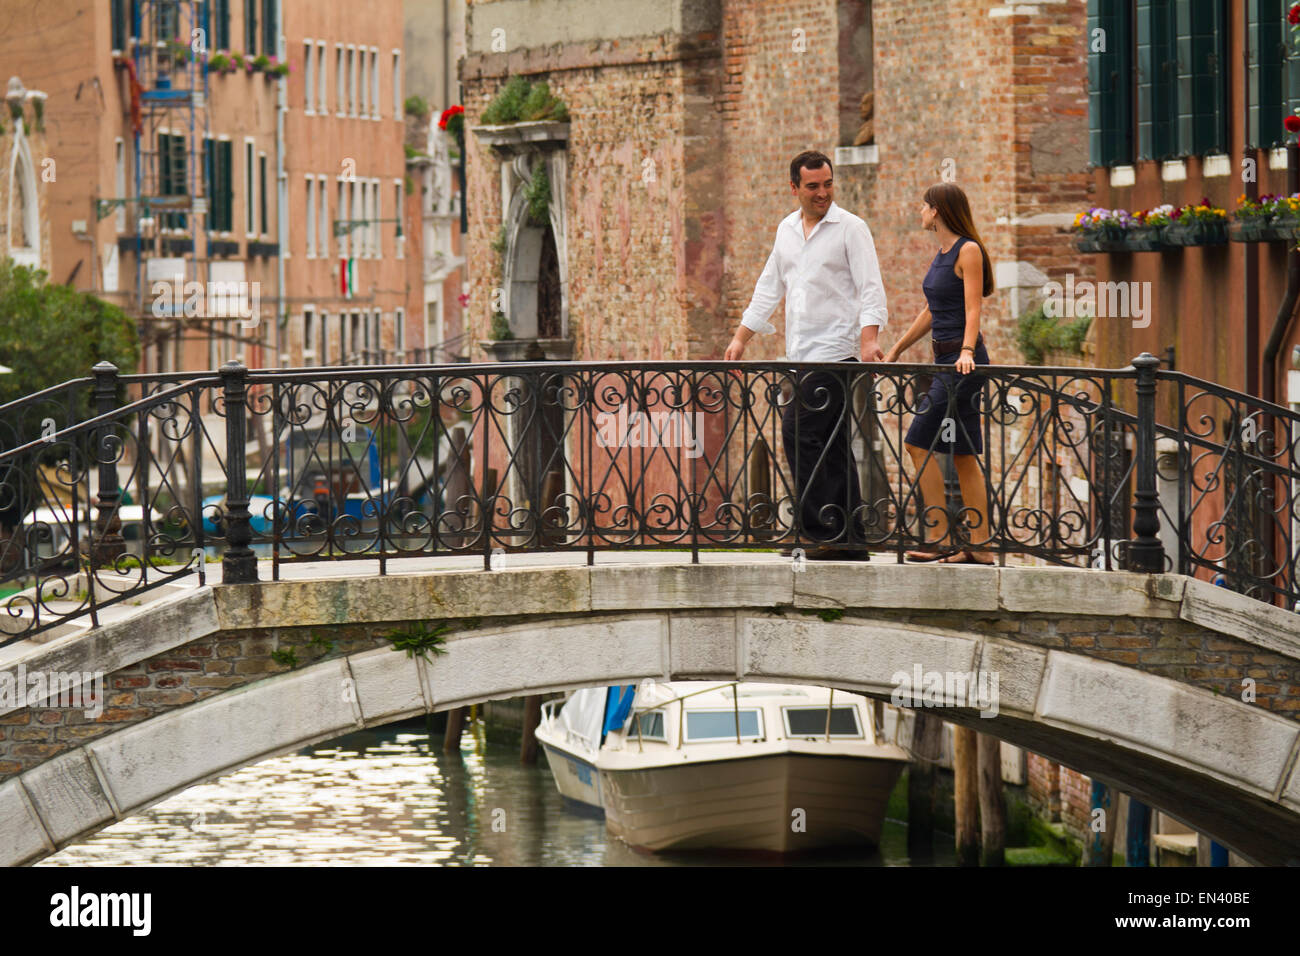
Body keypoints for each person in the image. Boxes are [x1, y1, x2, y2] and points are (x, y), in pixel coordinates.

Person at [725, 150, 888, 559]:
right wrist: (741, 337)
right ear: (794, 188)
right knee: (829, 442)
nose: (823, 193)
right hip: (800, 352)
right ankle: (847, 538)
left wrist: (869, 341)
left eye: (828, 184)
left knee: (800, 432)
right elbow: (769, 286)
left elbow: (871, 287)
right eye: (813, 186)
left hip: (837, 351)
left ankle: (818, 531)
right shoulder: (786, 230)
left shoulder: (851, 228)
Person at [883, 182, 994, 565]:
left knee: (916, 442)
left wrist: (966, 351)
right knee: (963, 454)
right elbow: (932, 310)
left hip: (963, 364)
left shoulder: (969, 250)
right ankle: (979, 547)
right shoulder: (942, 255)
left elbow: (973, 307)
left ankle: (937, 537)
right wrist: (897, 348)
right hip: (944, 362)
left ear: (938, 210)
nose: (920, 212)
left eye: (923, 206)